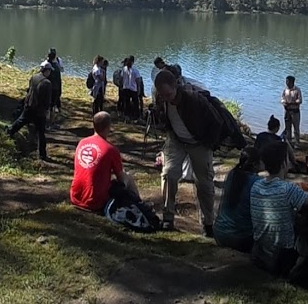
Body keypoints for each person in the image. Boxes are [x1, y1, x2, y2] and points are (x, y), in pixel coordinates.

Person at [152, 69, 223, 235]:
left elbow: (216, 122)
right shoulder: (160, 97)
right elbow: (163, 116)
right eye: (162, 95)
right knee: (169, 174)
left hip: (199, 143)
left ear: (176, 86)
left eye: (168, 94)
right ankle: (168, 218)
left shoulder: (194, 100)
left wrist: (209, 144)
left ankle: (208, 223)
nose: (165, 98)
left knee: (204, 184)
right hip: (176, 140)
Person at [251, 140, 308, 281]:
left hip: (259, 252)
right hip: (281, 257)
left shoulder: (256, 186)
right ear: (284, 163)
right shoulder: (288, 189)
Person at [69, 111, 141, 213]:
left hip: (75, 197)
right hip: (95, 202)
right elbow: (121, 178)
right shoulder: (111, 149)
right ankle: (139, 205)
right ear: (108, 127)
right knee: (128, 177)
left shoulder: (82, 143)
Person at [215, 148, 260, 252]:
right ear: (255, 164)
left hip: (219, 233)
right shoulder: (257, 182)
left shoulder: (232, 173)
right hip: (241, 239)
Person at [6, 64, 53, 161]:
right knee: (41, 132)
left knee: (21, 121)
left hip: (29, 106)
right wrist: (47, 111)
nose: (50, 73)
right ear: (46, 71)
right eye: (50, 71)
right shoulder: (47, 83)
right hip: (39, 111)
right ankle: (42, 154)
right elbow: (47, 100)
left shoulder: (34, 77)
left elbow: (29, 90)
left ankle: (9, 131)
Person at [282, 75, 304, 145]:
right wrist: (284, 103)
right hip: (287, 111)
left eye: (288, 81)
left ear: (292, 82)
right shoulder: (285, 90)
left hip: (295, 111)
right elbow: (282, 98)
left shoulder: (297, 90)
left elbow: (300, 100)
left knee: (296, 127)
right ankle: (289, 142)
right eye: (286, 81)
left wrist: (292, 103)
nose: (286, 83)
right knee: (287, 127)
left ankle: (297, 142)